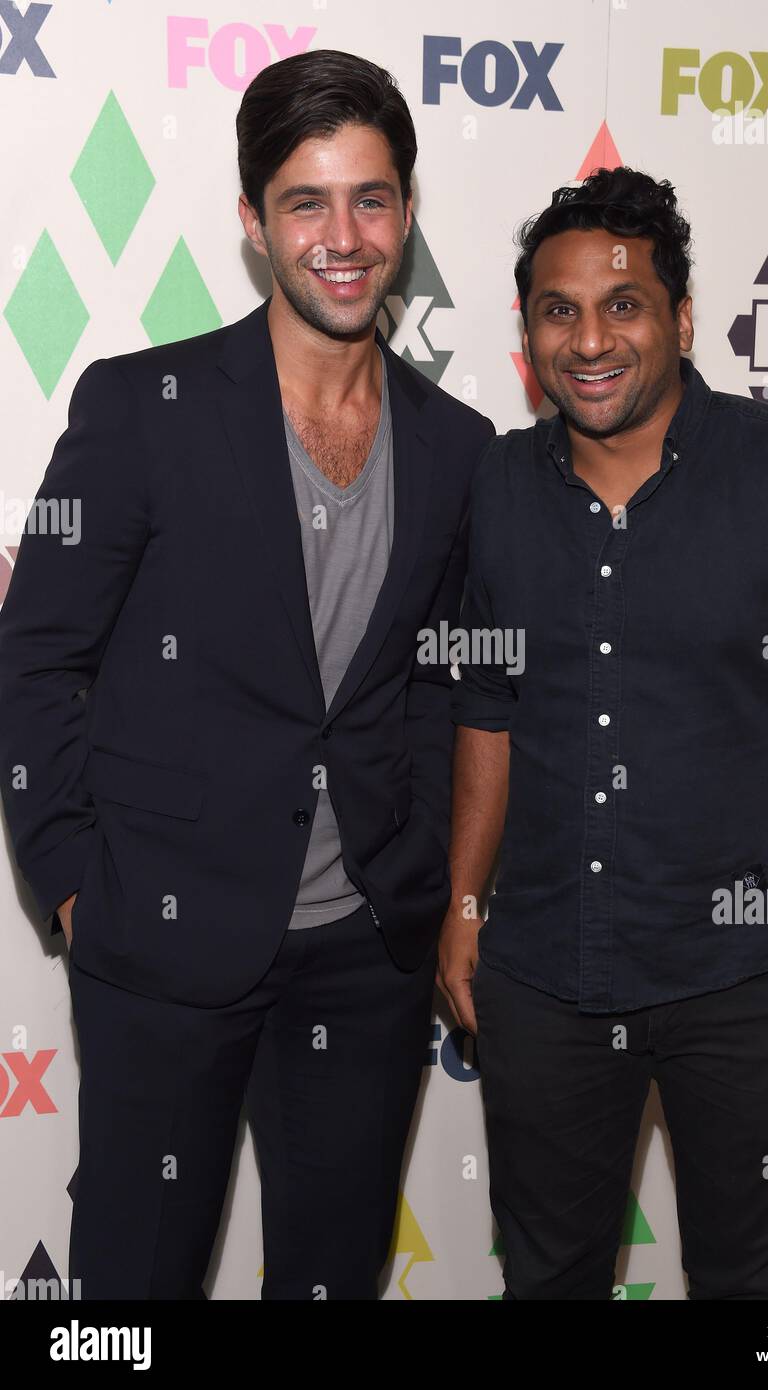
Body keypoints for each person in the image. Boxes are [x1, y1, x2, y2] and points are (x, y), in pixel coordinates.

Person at [0, 48, 494, 1300]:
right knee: (126, 1286)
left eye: (370, 199)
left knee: (332, 1278)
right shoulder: (142, 409)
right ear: (252, 223)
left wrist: (427, 876)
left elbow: (439, 681)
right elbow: (36, 654)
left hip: (365, 949)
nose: (343, 236)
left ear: (406, 214)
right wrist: (70, 887)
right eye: (306, 202)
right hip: (158, 939)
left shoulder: (457, 449)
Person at [439, 165, 768, 1300]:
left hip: (751, 984)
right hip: (546, 981)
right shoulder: (501, 487)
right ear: (526, 335)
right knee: (548, 1281)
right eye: (556, 311)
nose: (589, 338)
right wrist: (465, 905)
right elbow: (485, 703)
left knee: (750, 1288)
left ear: (680, 316)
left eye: (621, 303)